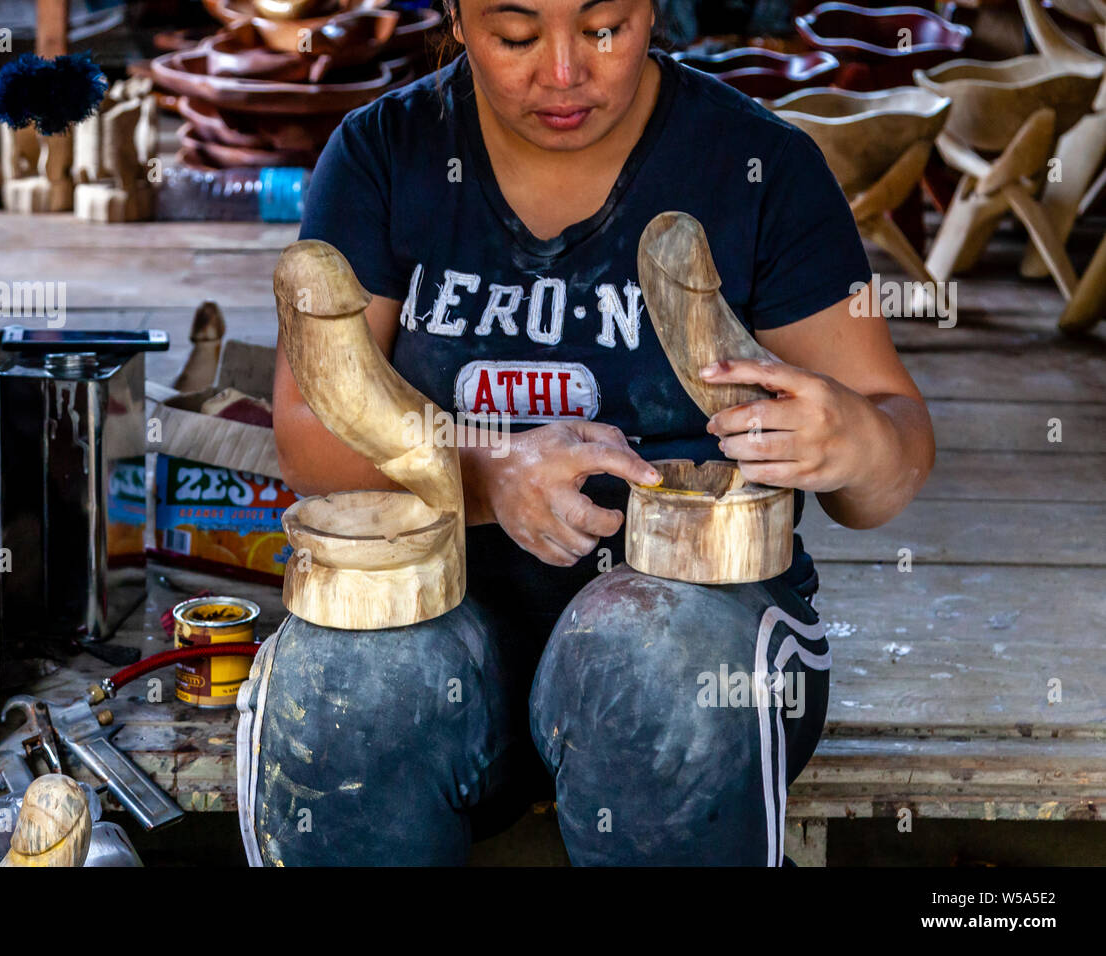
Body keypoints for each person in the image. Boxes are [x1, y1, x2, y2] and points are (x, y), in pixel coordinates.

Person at [253, 0, 935, 865]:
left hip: (701, 651)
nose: (565, 73)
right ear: (458, 19)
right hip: (449, 631)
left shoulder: (758, 165)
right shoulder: (384, 155)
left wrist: (856, 444)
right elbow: (309, 433)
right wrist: (486, 471)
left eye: (605, 27)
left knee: (644, 659)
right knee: (345, 685)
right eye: (516, 36)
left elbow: (894, 445)